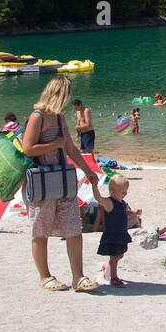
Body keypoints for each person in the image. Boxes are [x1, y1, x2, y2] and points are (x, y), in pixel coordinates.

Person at [21, 76, 103, 292]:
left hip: (62, 180)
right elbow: (28, 149)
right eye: (66, 94)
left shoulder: (59, 118)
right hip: (42, 182)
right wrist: (53, 144)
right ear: (58, 94)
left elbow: (70, 149)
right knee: (40, 229)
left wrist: (88, 171)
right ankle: (44, 276)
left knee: (74, 228)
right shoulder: (37, 117)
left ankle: (79, 277)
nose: (68, 99)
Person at [95, 174, 134, 287]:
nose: (125, 194)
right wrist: (94, 186)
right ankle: (114, 278)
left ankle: (107, 267)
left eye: (126, 191)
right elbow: (98, 198)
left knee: (120, 254)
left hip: (121, 233)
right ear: (112, 191)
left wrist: (134, 213)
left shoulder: (122, 203)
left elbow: (124, 213)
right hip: (113, 234)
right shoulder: (109, 202)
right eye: (123, 192)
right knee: (115, 257)